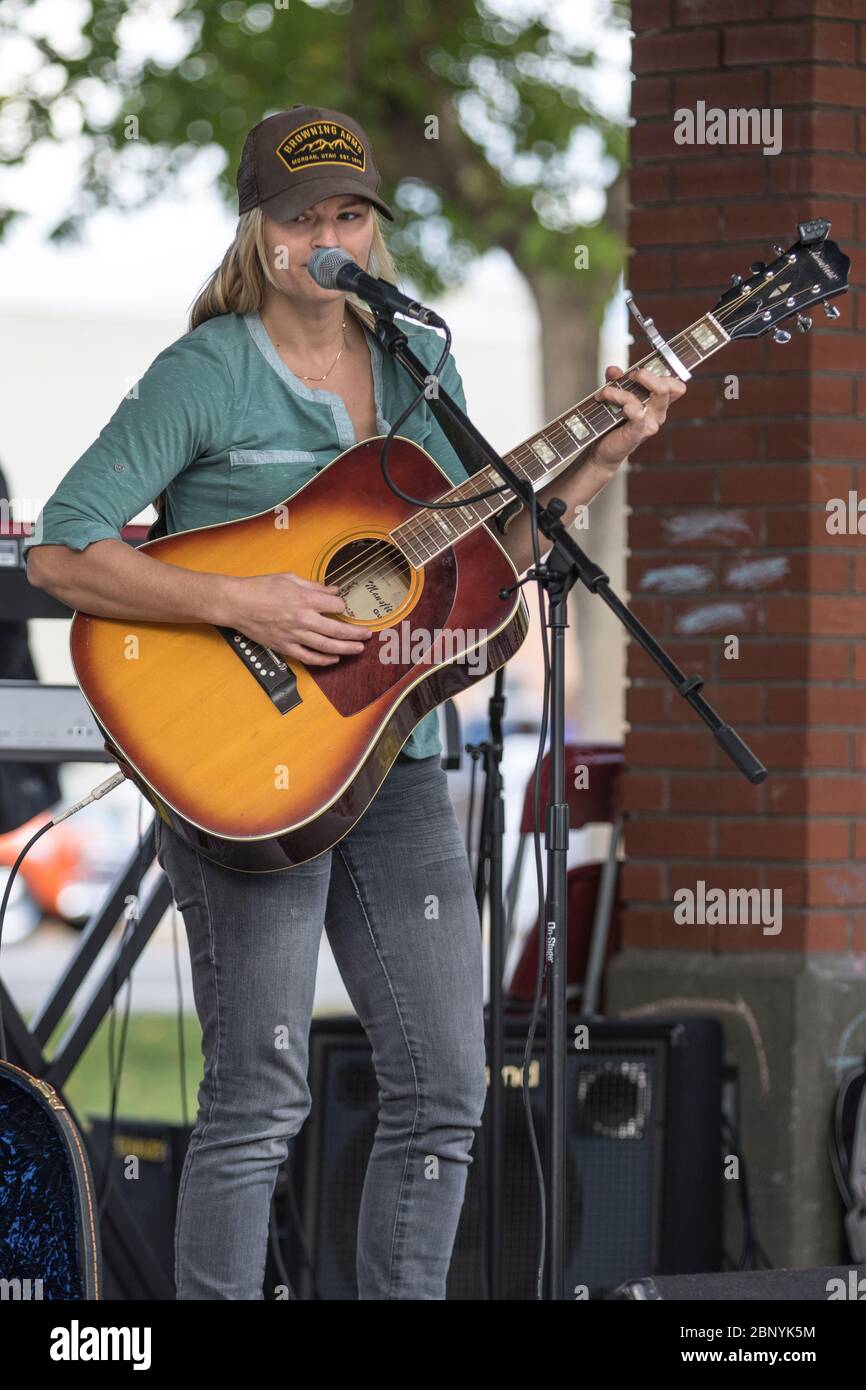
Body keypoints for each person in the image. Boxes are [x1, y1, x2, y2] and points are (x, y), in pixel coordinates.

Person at [23, 104, 685, 1299]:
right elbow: (61, 554)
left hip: (399, 758)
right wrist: (248, 608)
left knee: (447, 1083)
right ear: (260, 231)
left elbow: (494, 554)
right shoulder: (206, 370)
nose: (329, 234)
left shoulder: (418, 368)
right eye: (302, 217)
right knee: (257, 1094)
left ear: (373, 228)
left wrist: (604, 450)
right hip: (245, 759)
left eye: (349, 214)